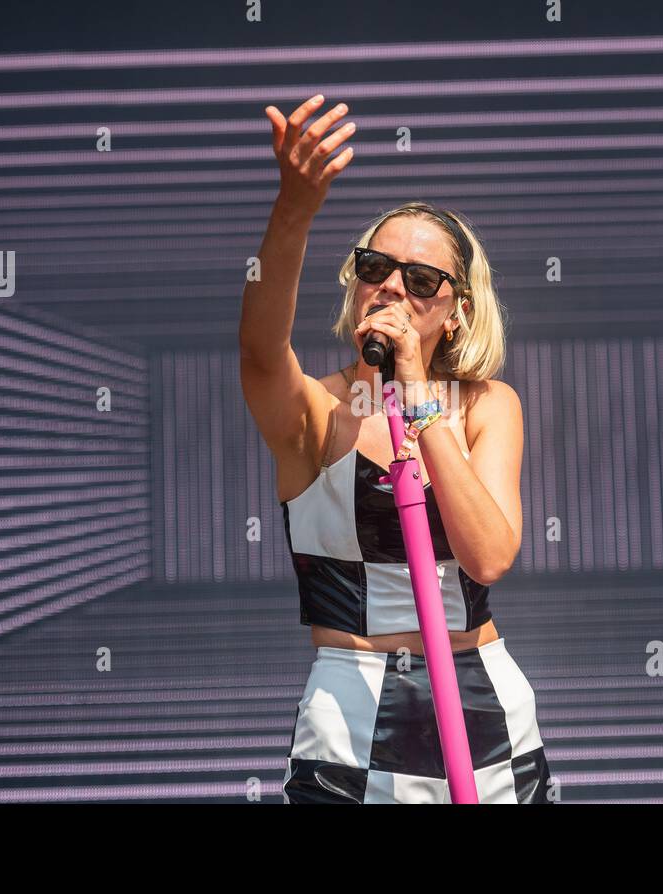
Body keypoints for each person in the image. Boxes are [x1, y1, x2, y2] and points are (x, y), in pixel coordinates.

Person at [239, 94, 553, 803]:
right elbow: (259, 352)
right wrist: (295, 207)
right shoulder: (315, 411)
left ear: (457, 308)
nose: (392, 285)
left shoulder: (486, 406)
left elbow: (490, 555)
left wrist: (420, 400)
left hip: (485, 711)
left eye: (420, 279)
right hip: (350, 714)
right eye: (377, 265)